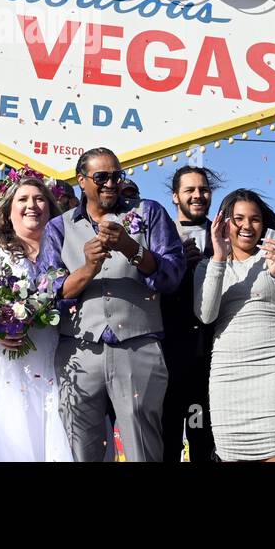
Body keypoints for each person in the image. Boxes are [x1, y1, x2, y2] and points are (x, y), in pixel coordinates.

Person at [41, 148, 185, 462]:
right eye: (101, 177)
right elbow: (48, 292)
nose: (110, 183)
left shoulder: (149, 212)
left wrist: (131, 248)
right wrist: (88, 268)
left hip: (138, 344)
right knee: (81, 449)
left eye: (116, 176)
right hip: (78, 349)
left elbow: (173, 274)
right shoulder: (58, 227)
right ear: (81, 180)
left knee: (143, 448)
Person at [195, 189, 275, 461]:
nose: (247, 226)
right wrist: (219, 258)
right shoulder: (207, 265)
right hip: (228, 378)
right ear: (225, 223)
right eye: (239, 219)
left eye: (255, 219)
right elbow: (206, 315)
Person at [0, 177, 72, 462]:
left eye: (39, 199)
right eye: (22, 199)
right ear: (8, 210)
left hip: (51, 354)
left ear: (50, 208)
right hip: (2, 358)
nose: (31, 205)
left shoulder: (65, 250)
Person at [160, 165, 218, 463]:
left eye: (203, 190)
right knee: (167, 443)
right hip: (168, 361)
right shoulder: (159, 236)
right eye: (190, 190)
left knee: (203, 442)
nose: (198, 195)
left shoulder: (224, 235)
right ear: (175, 196)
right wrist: (178, 267)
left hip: (210, 362)